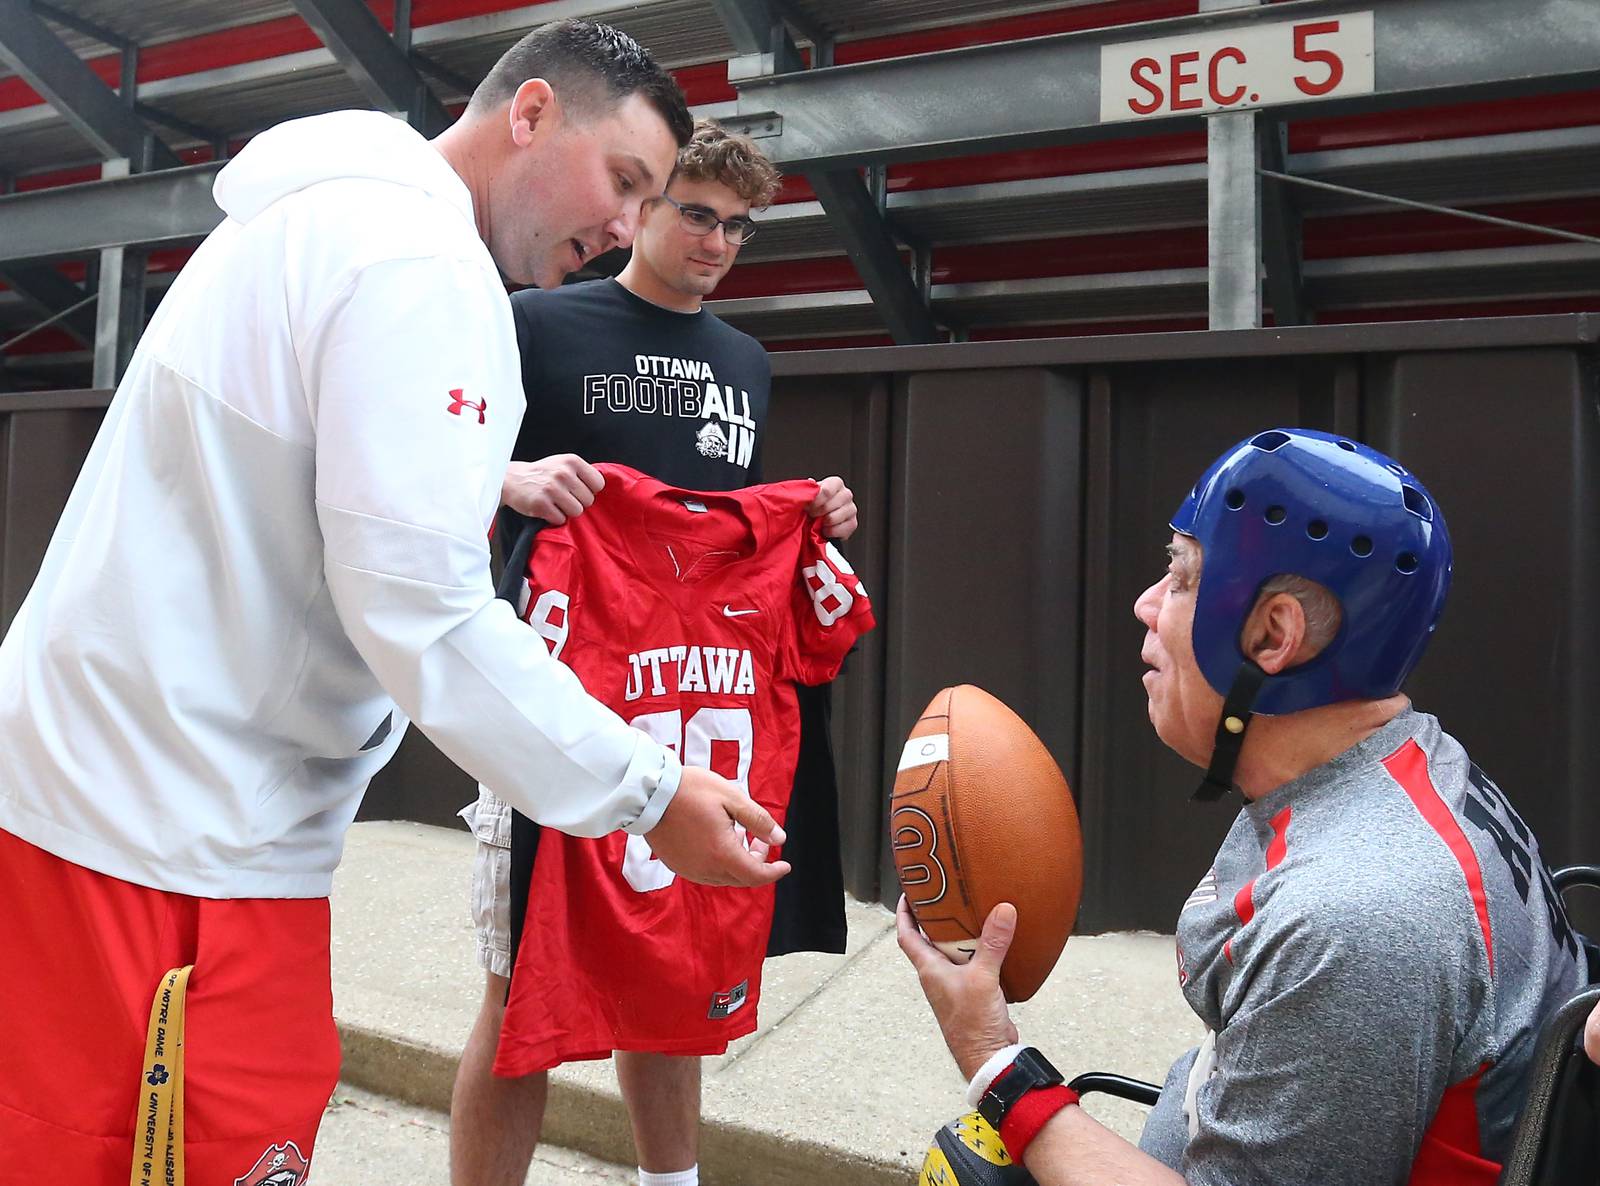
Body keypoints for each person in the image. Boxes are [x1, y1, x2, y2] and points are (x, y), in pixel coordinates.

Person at [0, 21, 789, 1186]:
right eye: (623, 179)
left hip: (121, 792)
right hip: (169, 833)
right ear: (529, 113)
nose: (626, 225)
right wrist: (648, 790)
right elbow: (421, 604)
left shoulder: (322, 217)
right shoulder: (421, 263)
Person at [898, 429, 1585, 1185]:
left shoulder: (1353, 916)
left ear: (1271, 635)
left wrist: (994, 1062)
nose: (1145, 604)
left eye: (1182, 577)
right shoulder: (1415, 764)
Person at [449, 121, 857, 1186]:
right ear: (640, 211)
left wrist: (813, 515)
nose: (718, 242)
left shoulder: (745, 362)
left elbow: (720, 532)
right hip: (547, 694)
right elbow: (428, 454)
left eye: (739, 226)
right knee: (517, 985)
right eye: (698, 214)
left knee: (677, 968)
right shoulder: (537, 321)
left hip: (688, 701)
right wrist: (508, 478)